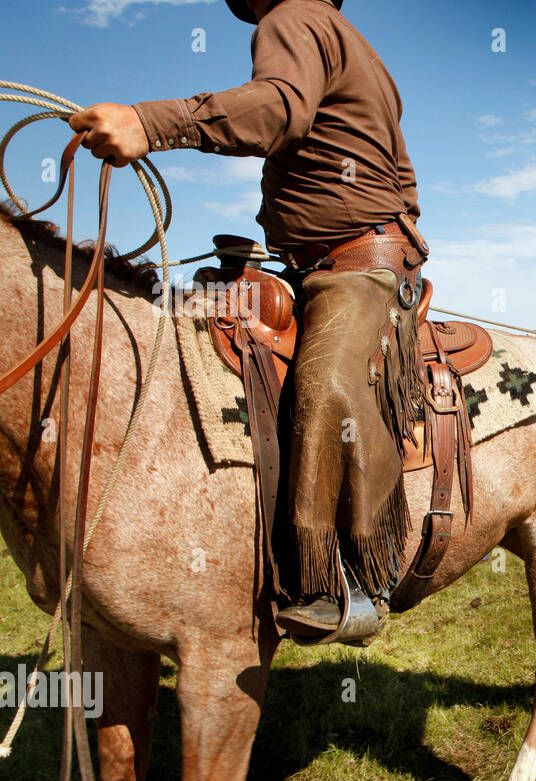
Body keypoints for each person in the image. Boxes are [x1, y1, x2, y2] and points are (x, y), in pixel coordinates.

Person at [68, 0, 426, 641]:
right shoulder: (362, 51)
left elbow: (279, 108)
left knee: (324, 387)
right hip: (326, 260)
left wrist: (149, 123)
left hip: (356, 267)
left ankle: (347, 575)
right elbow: (395, 173)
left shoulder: (292, 17)